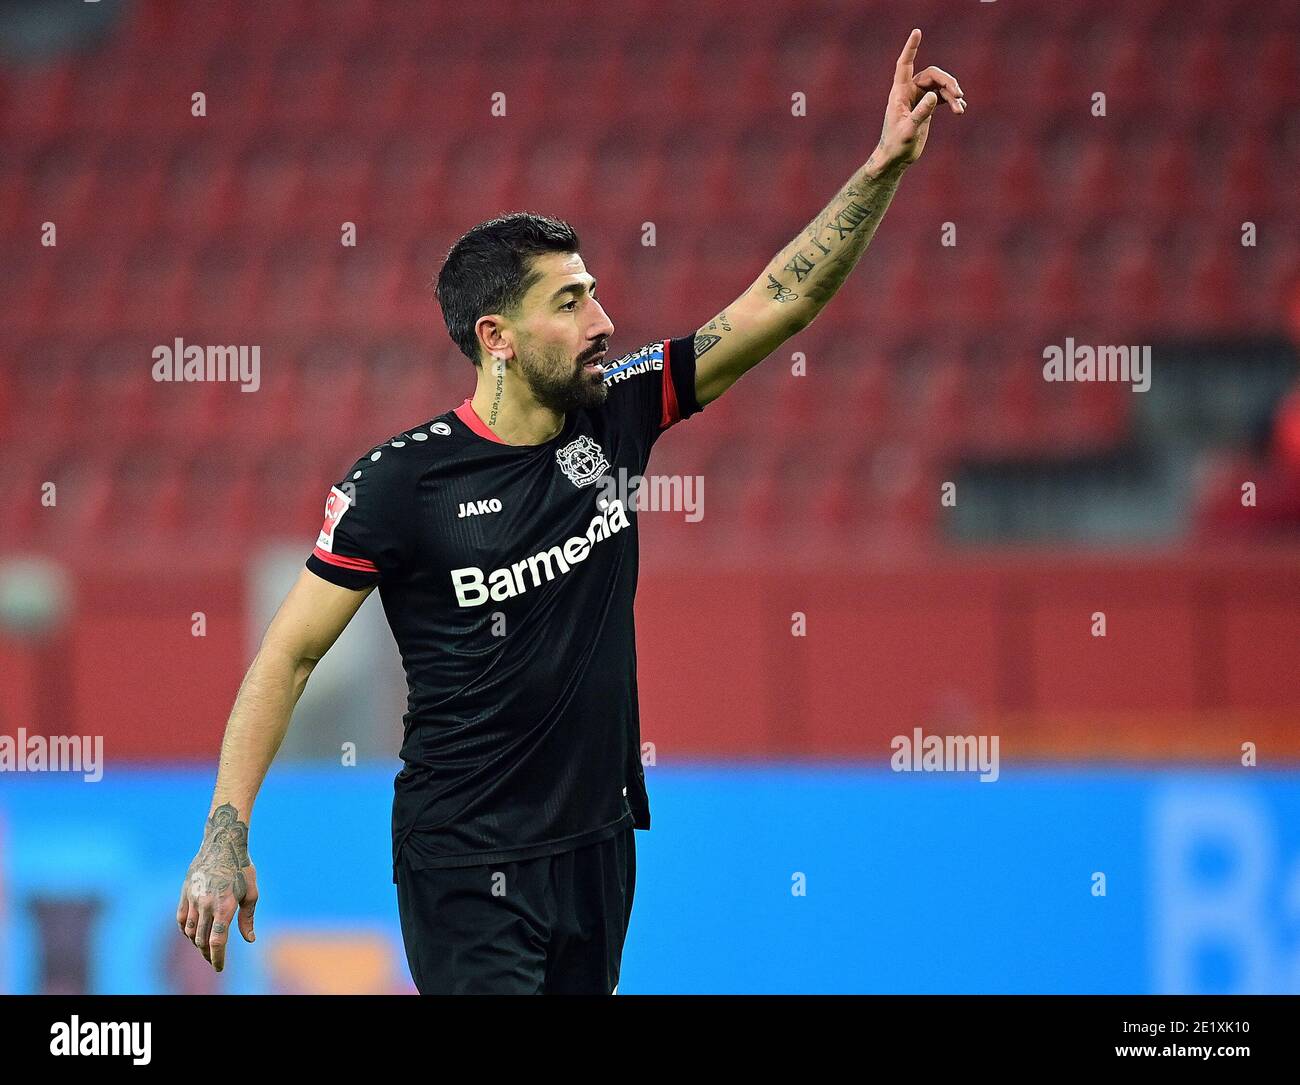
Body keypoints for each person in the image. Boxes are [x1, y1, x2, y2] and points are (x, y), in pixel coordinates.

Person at [177, 29, 963, 994]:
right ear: (496, 338)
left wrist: (880, 170)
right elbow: (288, 654)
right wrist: (225, 837)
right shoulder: (399, 485)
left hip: (597, 847)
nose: (604, 321)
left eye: (594, 293)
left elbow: (775, 308)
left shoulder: (620, 407)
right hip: (465, 863)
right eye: (572, 302)